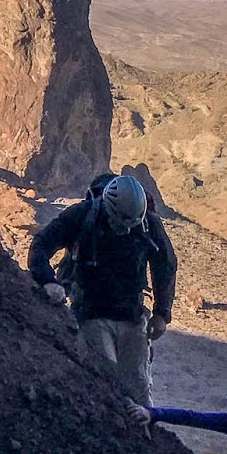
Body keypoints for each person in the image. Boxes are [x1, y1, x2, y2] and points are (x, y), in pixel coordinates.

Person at [29, 173, 176, 405]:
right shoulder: (82, 215)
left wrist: (161, 312)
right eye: (121, 224)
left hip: (133, 315)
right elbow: (40, 246)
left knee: (139, 392)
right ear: (108, 207)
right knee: (105, 383)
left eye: (131, 225)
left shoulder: (148, 223)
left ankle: (141, 437)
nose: (126, 230)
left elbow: (165, 265)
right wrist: (49, 281)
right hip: (91, 314)